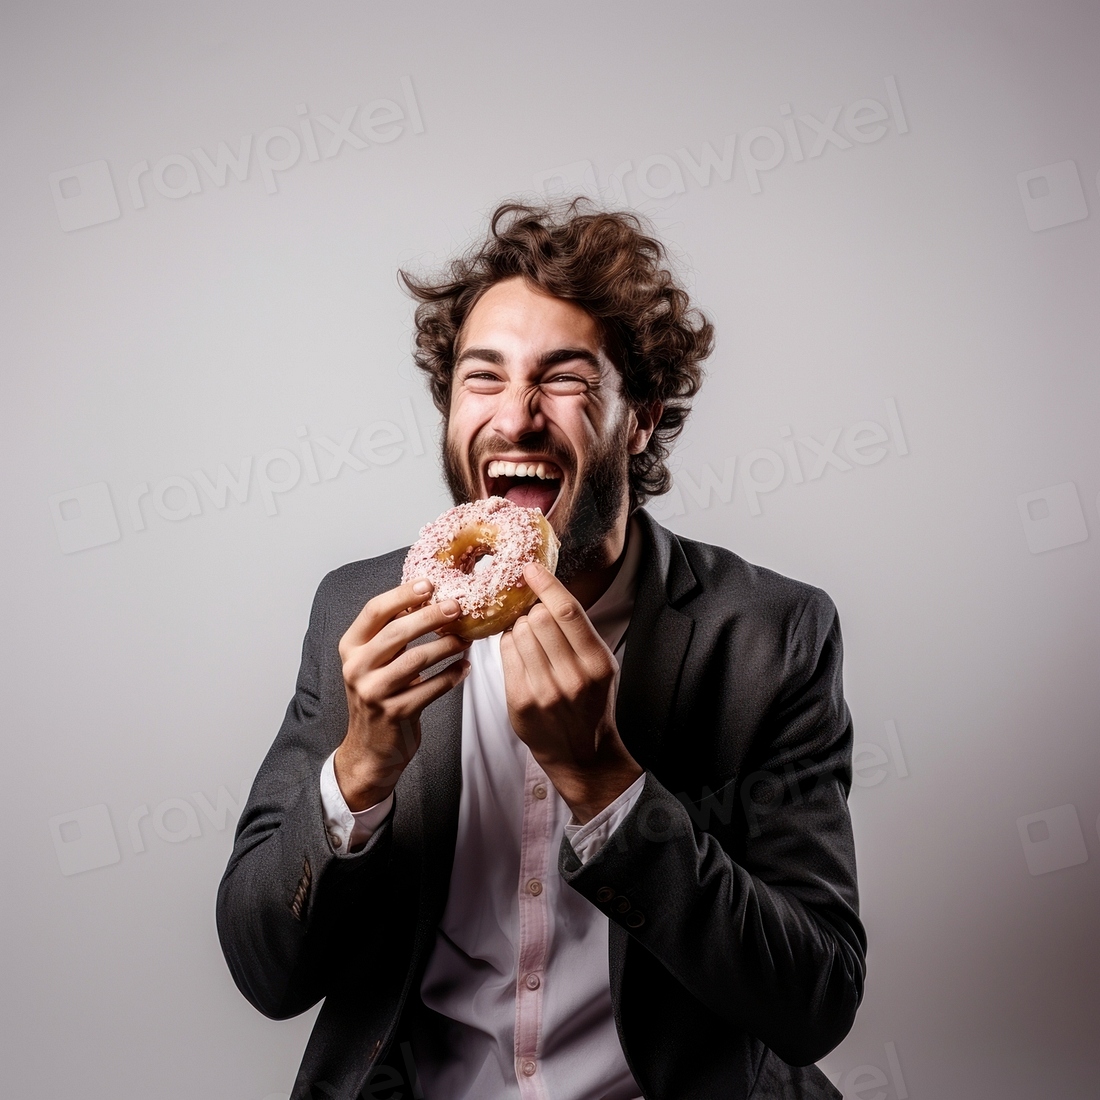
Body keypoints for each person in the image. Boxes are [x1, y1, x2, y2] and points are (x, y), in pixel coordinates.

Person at [216, 200, 866, 1100]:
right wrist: (359, 768)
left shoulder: (766, 636)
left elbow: (815, 998)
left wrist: (606, 785)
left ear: (640, 417)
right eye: (482, 378)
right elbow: (264, 969)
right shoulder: (360, 613)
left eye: (562, 378)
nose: (515, 419)